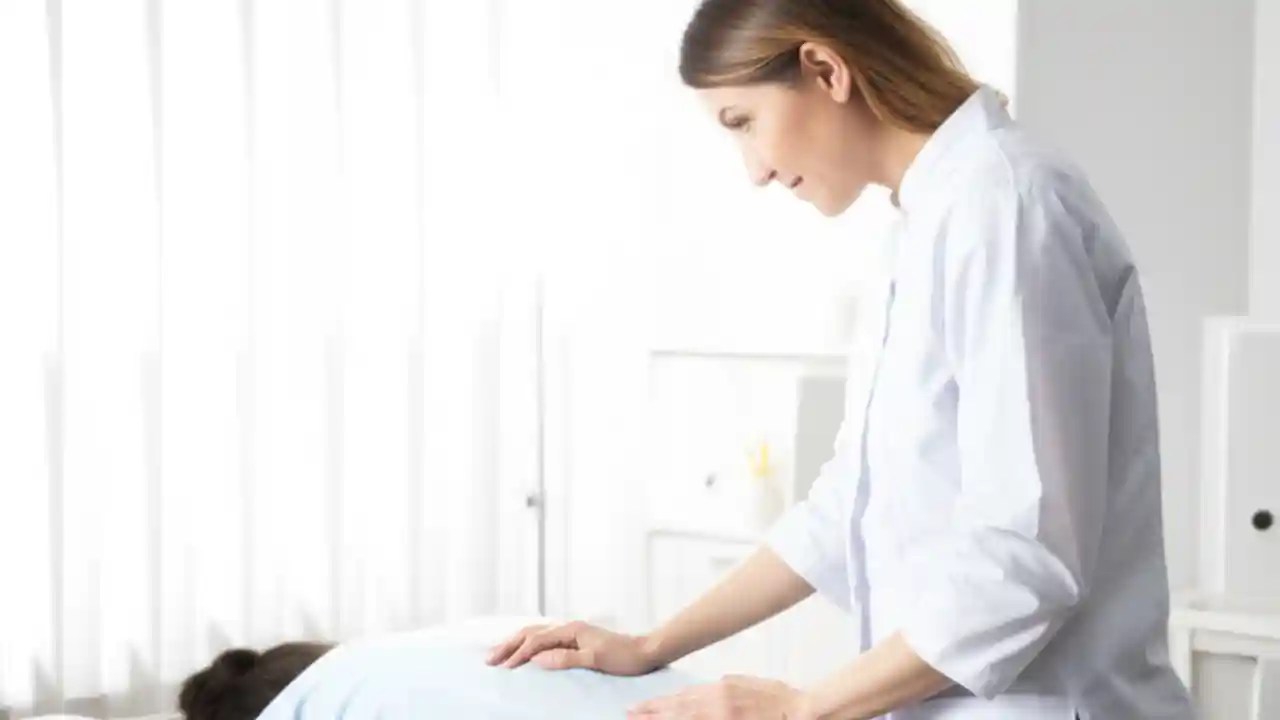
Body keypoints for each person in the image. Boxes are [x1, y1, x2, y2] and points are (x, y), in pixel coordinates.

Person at [485, 1, 1195, 718]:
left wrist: (802, 709)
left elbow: (1025, 559)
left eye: (744, 122)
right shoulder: (925, 221)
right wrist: (650, 644)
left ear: (824, 69)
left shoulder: (1002, 202)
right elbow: (844, 506)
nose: (753, 170)